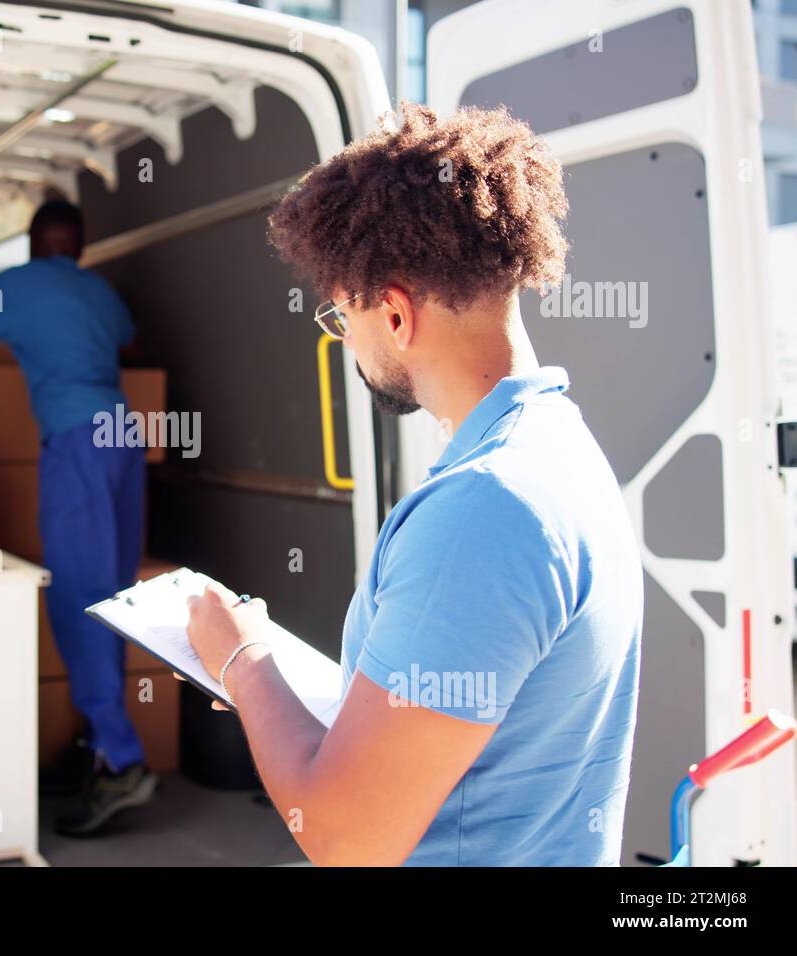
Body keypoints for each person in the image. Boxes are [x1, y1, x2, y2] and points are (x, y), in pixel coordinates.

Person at [184, 104, 644, 865]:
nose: (344, 339)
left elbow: (344, 838)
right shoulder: (558, 446)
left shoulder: (482, 509)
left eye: (342, 316)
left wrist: (242, 659)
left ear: (394, 314)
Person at [0, 199, 155, 836]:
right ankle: (101, 746)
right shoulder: (98, 291)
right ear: (79, 244)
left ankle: (121, 760)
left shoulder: (11, 287)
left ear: (33, 242)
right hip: (124, 439)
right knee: (116, 598)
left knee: (80, 599)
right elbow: (129, 339)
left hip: (75, 445)